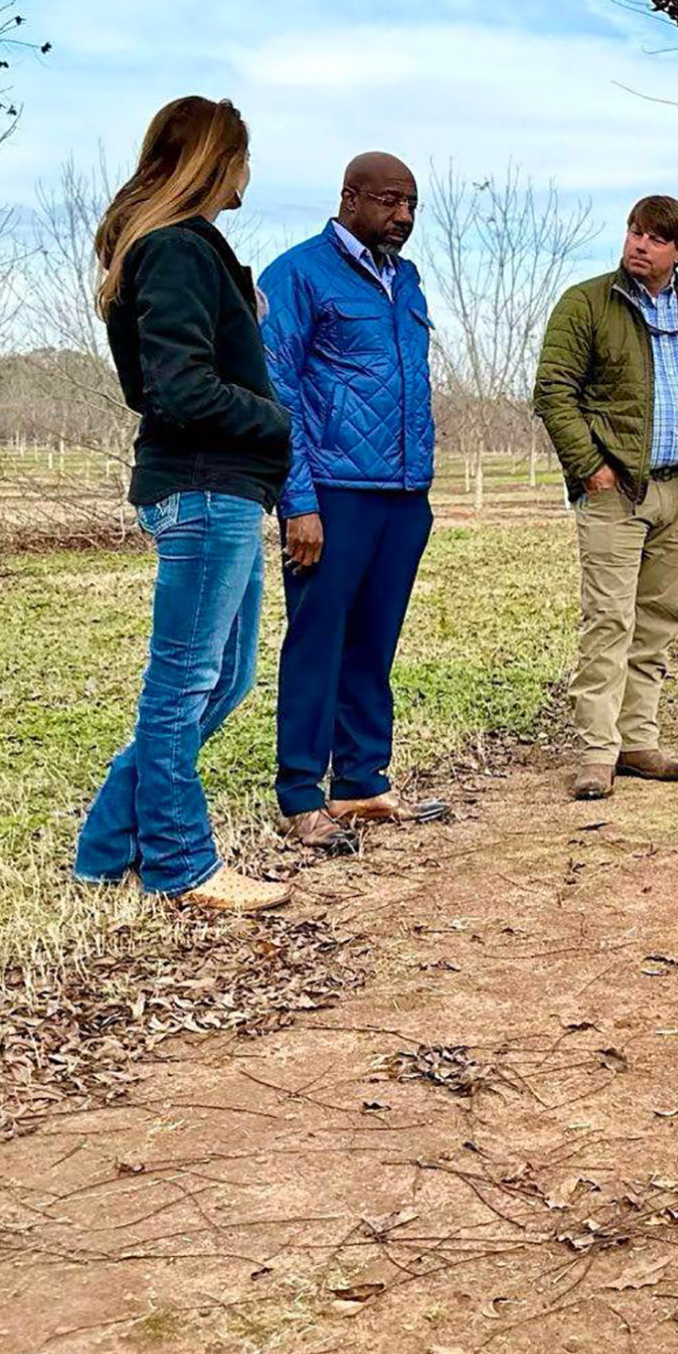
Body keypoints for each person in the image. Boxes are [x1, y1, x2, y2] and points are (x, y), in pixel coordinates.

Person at [74, 96, 293, 912]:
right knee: (182, 685)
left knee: (225, 678)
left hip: (224, 488)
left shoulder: (189, 250)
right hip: (203, 487)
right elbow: (174, 386)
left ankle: (104, 852)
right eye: (242, 153)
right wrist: (276, 420)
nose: (247, 170)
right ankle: (179, 863)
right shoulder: (172, 249)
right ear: (215, 158)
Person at [260, 153, 444, 853]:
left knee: (374, 641)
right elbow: (276, 391)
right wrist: (298, 499)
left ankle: (361, 780)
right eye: (390, 201)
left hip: (402, 492)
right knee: (317, 641)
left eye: (411, 204)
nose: (402, 215)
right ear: (350, 197)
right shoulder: (298, 274)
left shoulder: (407, 279)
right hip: (331, 493)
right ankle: (302, 793)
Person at [531, 195, 678, 801]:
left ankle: (637, 741)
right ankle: (597, 752)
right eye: (634, 232)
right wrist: (590, 467)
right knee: (609, 620)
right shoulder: (587, 303)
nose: (639, 244)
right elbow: (553, 391)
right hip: (616, 490)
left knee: (657, 621)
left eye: (655, 237)